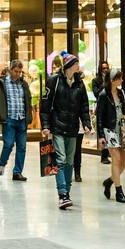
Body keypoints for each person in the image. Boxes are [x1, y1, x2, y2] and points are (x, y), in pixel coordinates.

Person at [40, 54, 91, 210]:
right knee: (60, 160)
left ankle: (66, 193)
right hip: (57, 127)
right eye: (77, 63)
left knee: (69, 161)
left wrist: (87, 124)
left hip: (73, 128)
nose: (79, 66)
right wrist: (45, 125)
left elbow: (84, 107)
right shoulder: (54, 81)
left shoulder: (79, 84)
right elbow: (45, 105)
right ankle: (62, 194)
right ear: (70, 65)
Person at [96, 69, 125, 204]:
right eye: (119, 78)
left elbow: (122, 110)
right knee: (116, 159)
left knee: (124, 162)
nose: (122, 81)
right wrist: (101, 136)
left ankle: (109, 181)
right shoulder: (103, 95)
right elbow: (99, 117)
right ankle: (119, 191)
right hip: (110, 130)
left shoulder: (121, 93)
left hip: (123, 129)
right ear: (113, 80)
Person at [0, 58, 31, 181]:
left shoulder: (23, 84)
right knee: (8, 144)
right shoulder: (2, 83)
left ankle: (17, 172)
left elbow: (27, 99)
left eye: (20, 72)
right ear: (10, 70)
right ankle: (2, 165)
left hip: (22, 119)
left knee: (22, 147)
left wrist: (28, 115)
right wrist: (1, 114)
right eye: (16, 71)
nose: (18, 74)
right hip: (9, 120)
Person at [92, 60, 113, 164]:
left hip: (110, 108)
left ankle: (109, 153)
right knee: (102, 131)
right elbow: (96, 93)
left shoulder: (111, 80)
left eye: (106, 68)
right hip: (101, 107)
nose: (105, 70)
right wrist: (104, 84)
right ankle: (103, 156)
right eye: (103, 68)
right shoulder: (96, 80)